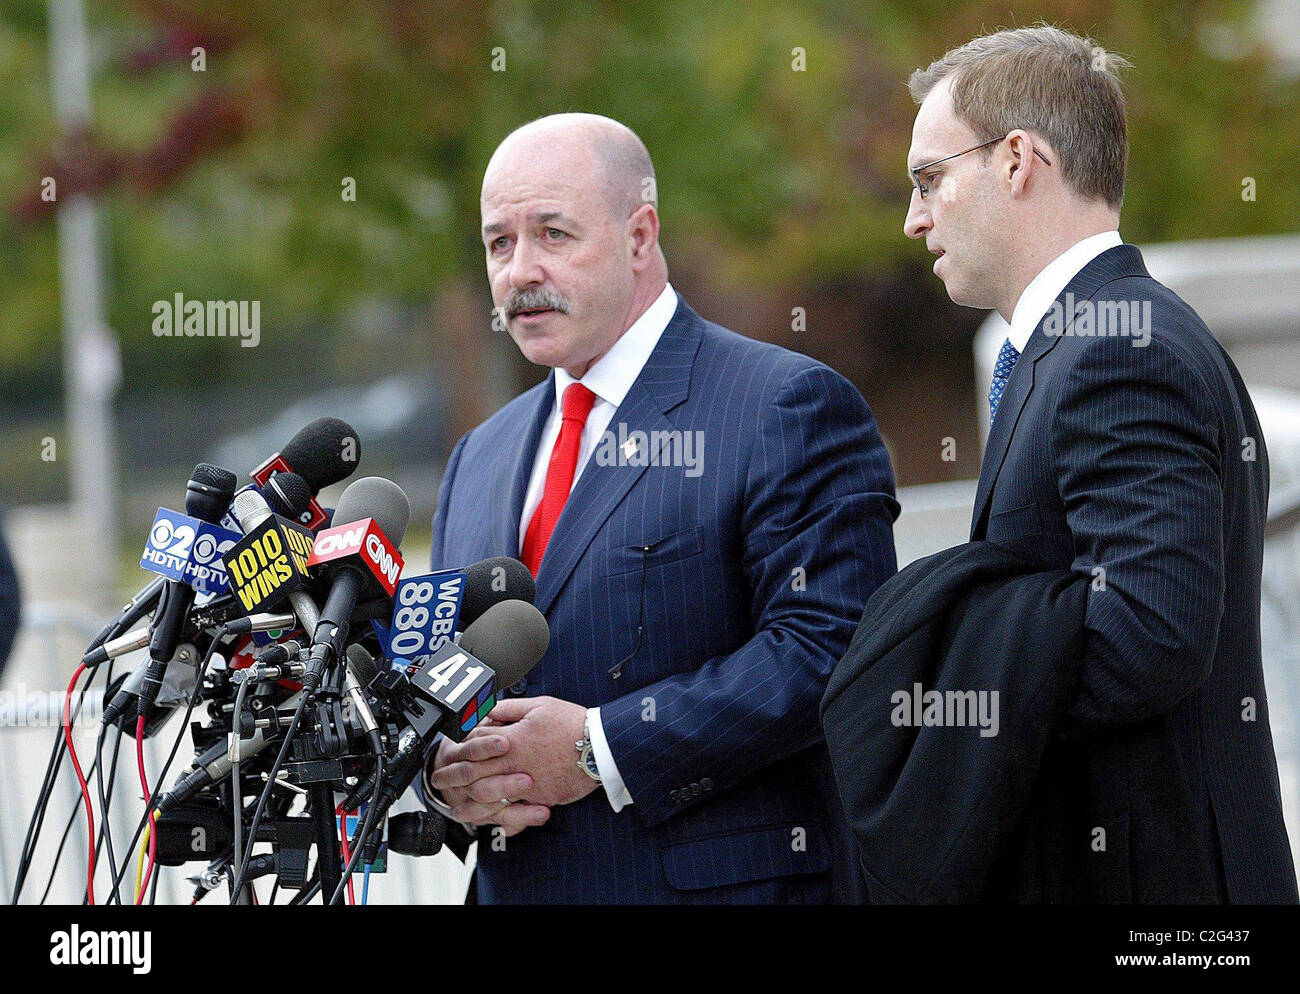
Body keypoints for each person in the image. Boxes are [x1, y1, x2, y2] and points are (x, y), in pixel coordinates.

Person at [421, 112, 899, 903]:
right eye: (499, 243)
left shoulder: (782, 405)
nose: (520, 271)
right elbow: (445, 680)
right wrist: (444, 780)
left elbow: (832, 651)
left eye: (553, 233)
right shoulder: (480, 457)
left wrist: (594, 750)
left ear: (641, 236)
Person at [902, 25, 1296, 902]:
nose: (914, 216)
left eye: (929, 178)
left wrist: (955, 720)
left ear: (1016, 160)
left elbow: (1148, 633)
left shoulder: (1121, 349)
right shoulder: (1083, 340)